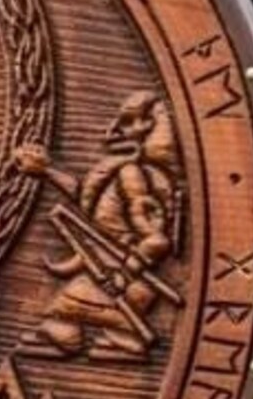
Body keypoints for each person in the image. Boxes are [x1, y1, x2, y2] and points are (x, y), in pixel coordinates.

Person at [13, 91, 180, 361]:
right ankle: (116, 336)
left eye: (127, 122)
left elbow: (156, 241)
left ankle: (127, 336)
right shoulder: (122, 171)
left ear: (148, 126)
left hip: (123, 281)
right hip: (106, 271)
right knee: (59, 319)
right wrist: (46, 170)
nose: (113, 129)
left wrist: (124, 274)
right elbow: (87, 199)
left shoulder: (132, 175)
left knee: (59, 313)